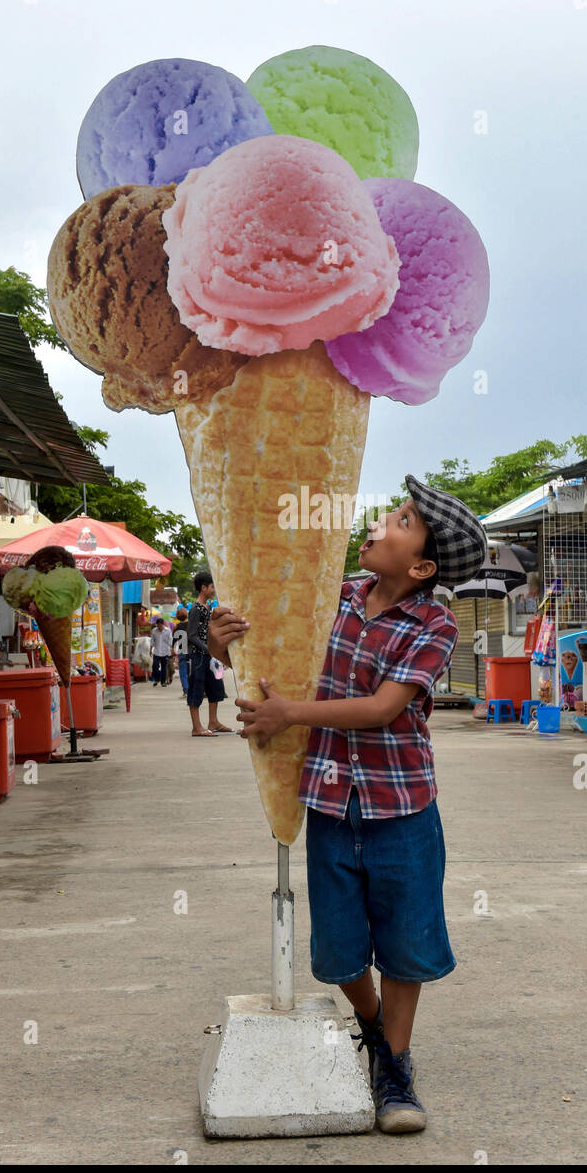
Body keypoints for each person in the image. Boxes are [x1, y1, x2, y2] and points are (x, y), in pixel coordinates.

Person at [210, 475, 487, 1136]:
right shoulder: (325, 599)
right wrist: (225, 644)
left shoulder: (434, 622)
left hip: (403, 807)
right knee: (337, 950)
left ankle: (394, 1063)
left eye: (400, 520)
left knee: (405, 941)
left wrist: (289, 714)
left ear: (421, 565)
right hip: (330, 804)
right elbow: (263, 648)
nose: (377, 523)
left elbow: (383, 708)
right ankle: (368, 1024)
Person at [173, 575, 232, 736]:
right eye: (212, 587)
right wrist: (208, 649)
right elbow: (191, 635)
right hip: (197, 656)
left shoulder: (207, 607)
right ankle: (196, 727)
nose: (214, 590)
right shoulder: (195, 609)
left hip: (209, 656)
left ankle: (213, 721)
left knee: (216, 688)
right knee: (196, 689)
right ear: (203, 588)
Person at [150, 618, 172, 686]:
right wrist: (150, 649)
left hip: (165, 652)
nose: (159, 627)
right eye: (157, 625)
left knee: (164, 667)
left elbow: (170, 641)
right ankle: (157, 678)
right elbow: (152, 641)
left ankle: (163, 682)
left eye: (160, 625)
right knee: (155, 666)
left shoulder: (168, 631)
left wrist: (170, 650)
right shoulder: (154, 631)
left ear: (163, 624)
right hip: (156, 652)